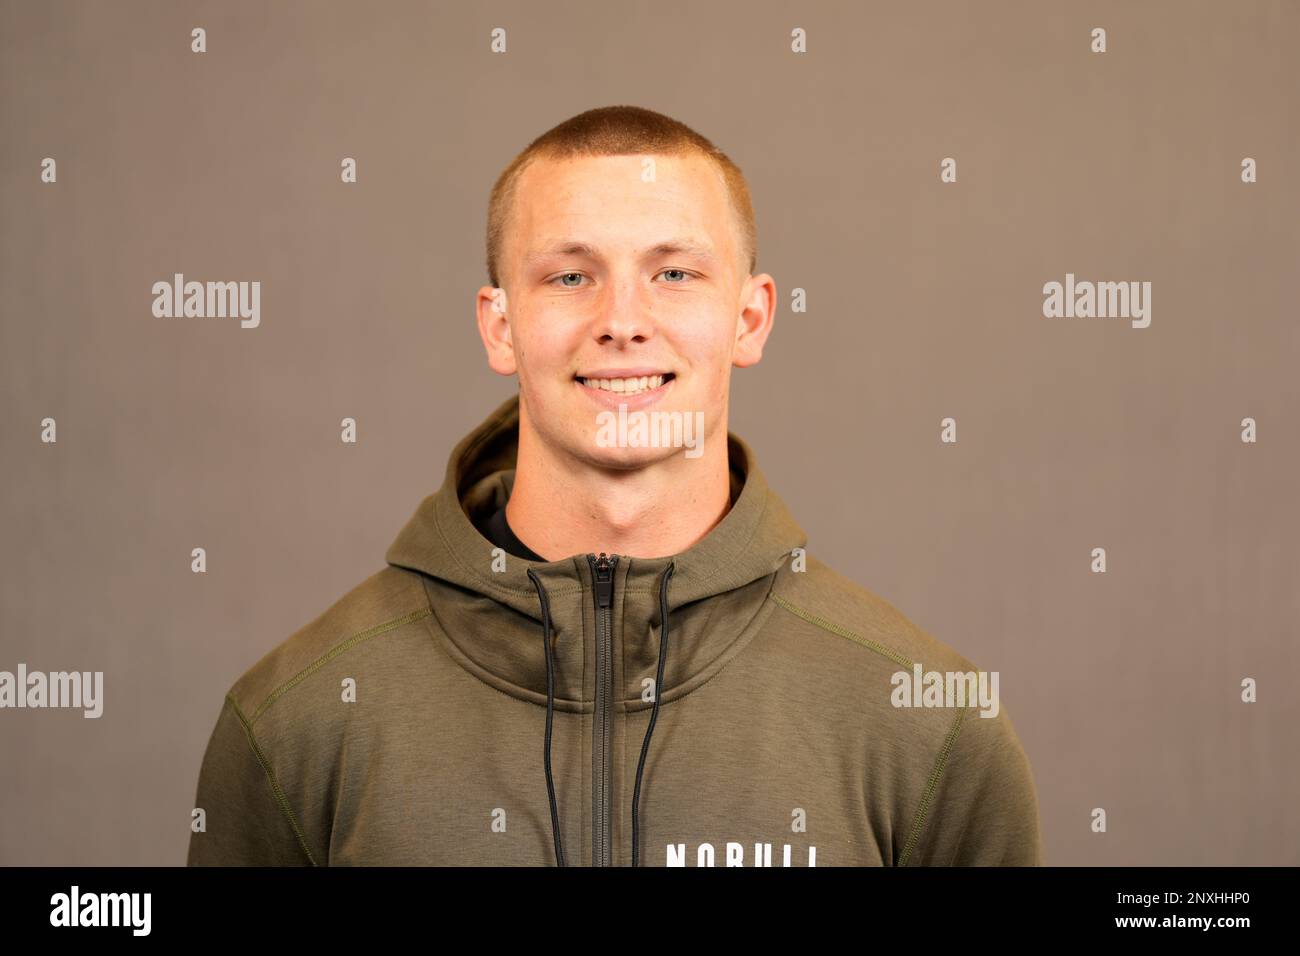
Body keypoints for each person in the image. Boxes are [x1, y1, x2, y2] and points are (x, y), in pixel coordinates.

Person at [186, 105, 1043, 867]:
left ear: (749, 316)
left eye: (675, 273)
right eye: (570, 276)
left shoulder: (929, 726)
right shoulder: (295, 724)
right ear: (500, 325)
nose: (622, 322)